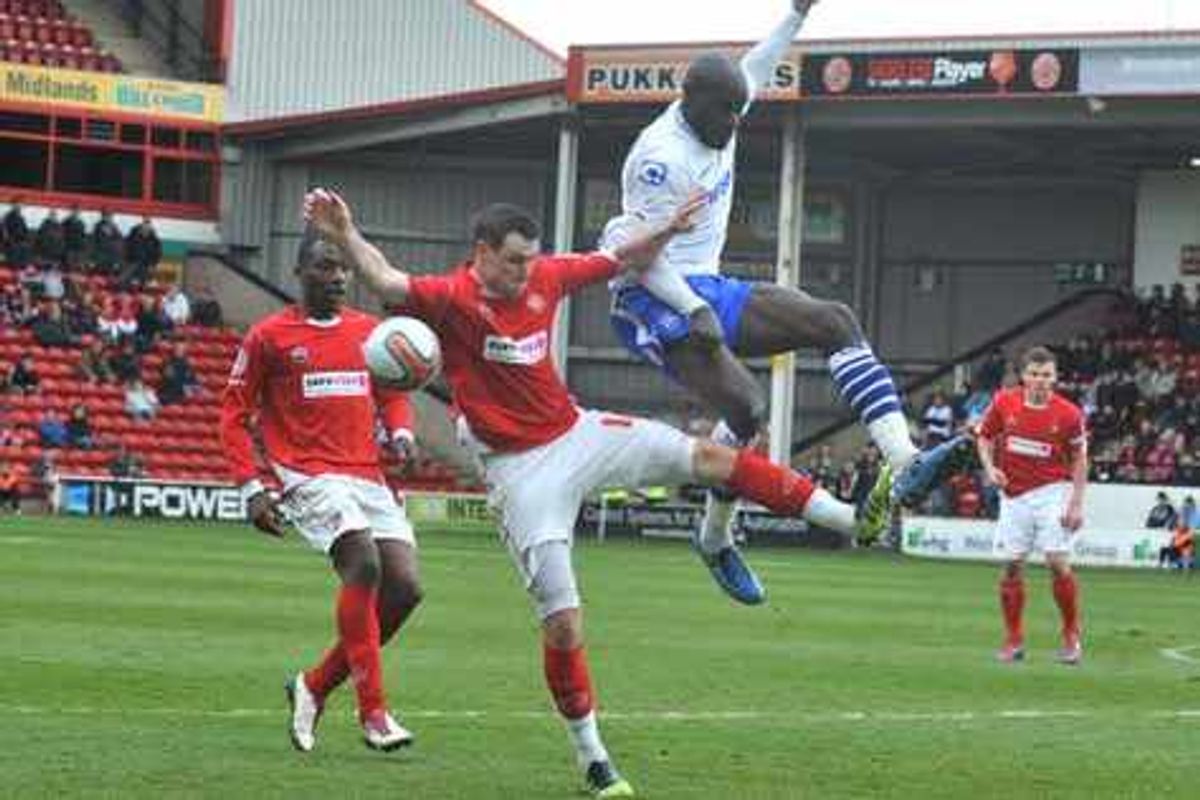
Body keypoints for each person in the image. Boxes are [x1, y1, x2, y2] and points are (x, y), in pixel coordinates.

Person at [304, 188, 894, 798]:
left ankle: (853, 521)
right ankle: (593, 759)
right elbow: (384, 278)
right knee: (563, 626)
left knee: (714, 458)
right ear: (481, 253)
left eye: (531, 259)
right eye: (513, 260)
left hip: (577, 432)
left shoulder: (547, 278)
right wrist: (345, 233)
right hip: (520, 474)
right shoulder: (450, 298)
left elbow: (621, 255)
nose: (526, 270)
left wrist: (668, 227)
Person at [604, 0, 963, 604]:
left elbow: (759, 66)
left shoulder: (725, 107)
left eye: (740, 111)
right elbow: (640, 255)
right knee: (747, 407)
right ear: (691, 103)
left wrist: (797, 13)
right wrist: (693, 311)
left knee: (835, 321)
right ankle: (717, 538)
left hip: (704, 285)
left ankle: (904, 459)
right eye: (727, 114)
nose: (736, 125)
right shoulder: (658, 160)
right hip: (650, 298)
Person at [219, 226, 425, 755]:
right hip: (307, 472)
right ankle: (373, 712)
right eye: (325, 267)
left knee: (404, 589)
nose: (337, 276)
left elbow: (393, 392)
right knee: (365, 565)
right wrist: (252, 488)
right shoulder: (269, 336)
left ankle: (312, 687)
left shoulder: (368, 332)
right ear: (299, 273)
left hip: (366, 473)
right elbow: (233, 415)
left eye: (343, 268)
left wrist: (401, 431)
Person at [976, 346, 1088, 665]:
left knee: (1056, 561)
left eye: (1047, 375)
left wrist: (1076, 503)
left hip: (1052, 492)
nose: (1040, 380)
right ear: (1024, 376)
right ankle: (1013, 640)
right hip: (1013, 495)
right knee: (1012, 565)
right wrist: (989, 468)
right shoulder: (1004, 402)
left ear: (1055, 377)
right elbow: (984, 437)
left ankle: (1070, 634)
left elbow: (1080, 458)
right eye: (1035, 374)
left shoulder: (1069, 414)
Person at [122, 216, 161, 290]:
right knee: (126, 277)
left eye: (148, 225)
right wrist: (127, 260)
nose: (146, 227)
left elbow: (157, 254)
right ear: (141, 225)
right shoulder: (133, 236)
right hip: (133, 263)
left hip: (147, 265)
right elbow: (125, 248)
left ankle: (143, 285)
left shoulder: (155, 240)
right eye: (145, 224)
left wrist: (154, 264)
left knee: (145, 280)